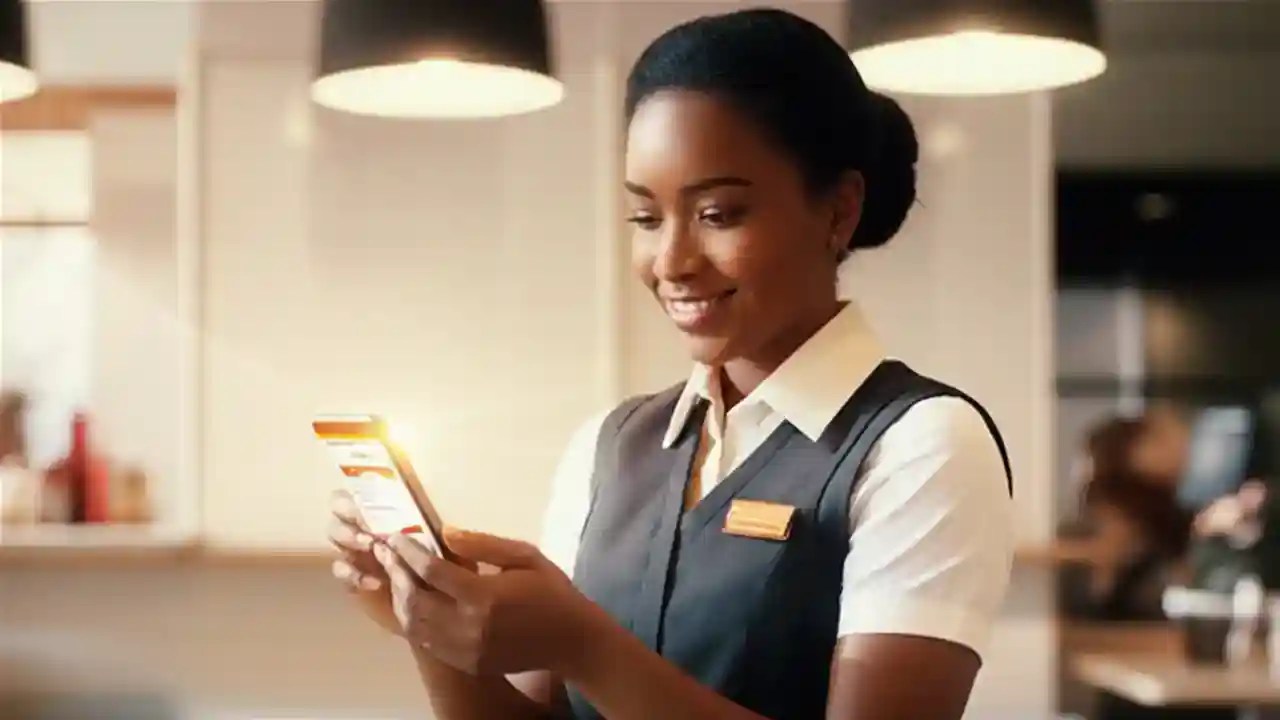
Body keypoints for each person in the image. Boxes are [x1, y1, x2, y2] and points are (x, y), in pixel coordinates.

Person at [329, 9, 1014, 720]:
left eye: (719, 214)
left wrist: (586, 646)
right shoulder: (611, 445)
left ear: (838, 211)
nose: (672, 263)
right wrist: (428, 617)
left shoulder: (922, 444)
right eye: (646, 219)